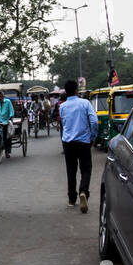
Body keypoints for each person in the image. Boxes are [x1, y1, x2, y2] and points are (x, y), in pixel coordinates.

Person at [59, 79, 97, 213]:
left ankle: (71, 199)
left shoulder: (62, 107)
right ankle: (83, 192)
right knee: (86, 169)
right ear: (76, 90)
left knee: (71, 170)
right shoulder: (85, 103)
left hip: (68, 143)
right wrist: (93, 137)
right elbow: (94, 121)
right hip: (84, 142)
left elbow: (63, 124)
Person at [0, 90, 15, 157]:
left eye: (1, 97)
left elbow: (11, 111)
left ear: (3, 96)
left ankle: (7, 151)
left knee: (7, 136)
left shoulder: (8, 102)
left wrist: (10, 117)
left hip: (6, 120)